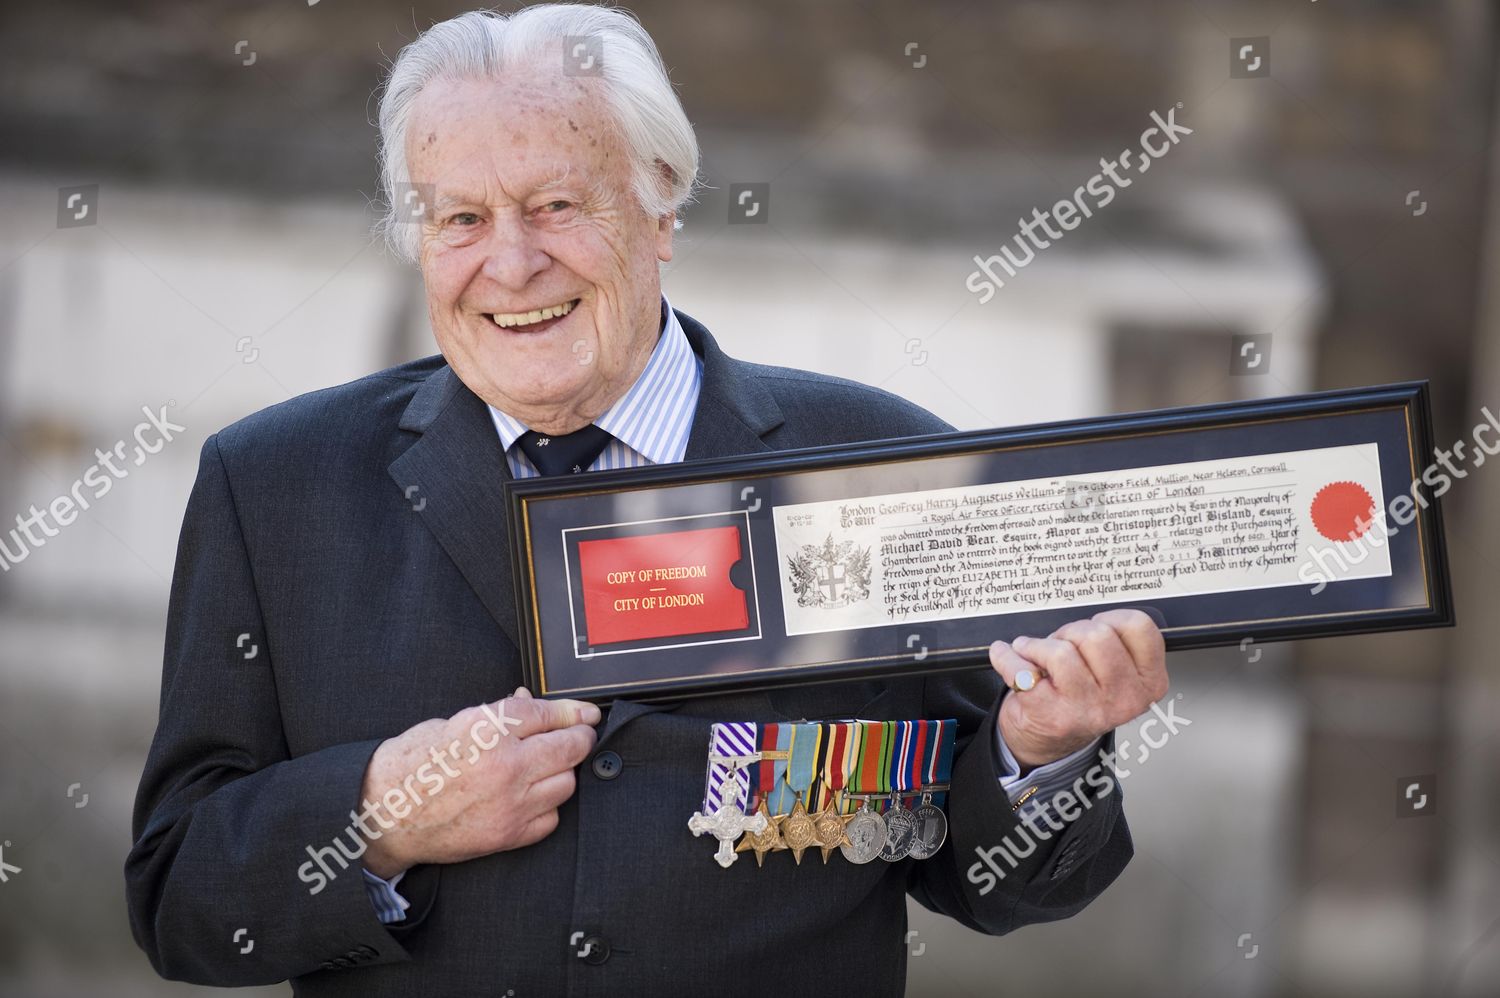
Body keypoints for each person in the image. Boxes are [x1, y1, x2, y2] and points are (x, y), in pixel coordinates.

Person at [125, 5, 1168, 994]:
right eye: (463, 218)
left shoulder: (887, 469)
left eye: (556, 205)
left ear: (662, 203)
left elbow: (997, 883)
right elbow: (179, 900)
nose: (511, 263)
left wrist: (1043, 751)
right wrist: (381, 817)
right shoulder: (274, 486)